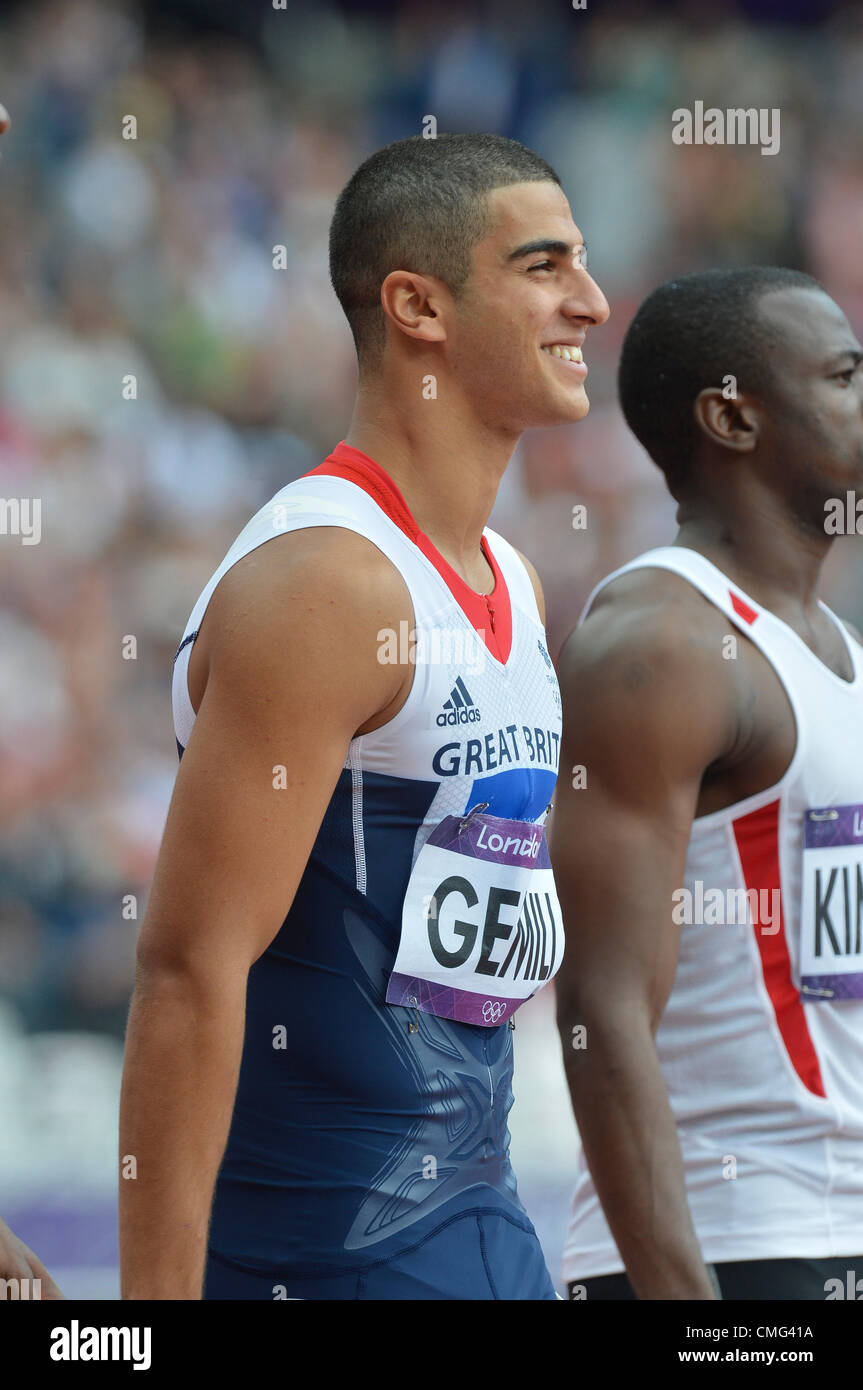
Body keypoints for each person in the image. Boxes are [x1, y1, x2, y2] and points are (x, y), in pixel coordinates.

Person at [119, 132, 609, 1300]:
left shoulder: (509, 575)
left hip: (484, 1232)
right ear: (416, 307)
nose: (589, 303)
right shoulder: (327, 582)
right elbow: (188, 967)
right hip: (320, 1258)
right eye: (543, 267)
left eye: (581, 266)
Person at [551, 267, 863, 1300]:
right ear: (731, 415)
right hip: (731, 1248)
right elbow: (598, 1007)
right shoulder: (664, 641)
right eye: (843, 374)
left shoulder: (839, 654)